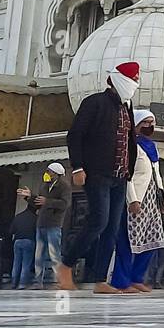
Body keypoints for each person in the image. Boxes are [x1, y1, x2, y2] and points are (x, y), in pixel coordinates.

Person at [57, 61, 140, 292]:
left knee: (111, 228)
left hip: (120, 176)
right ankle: (65, 265)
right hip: (98, 173)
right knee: (98, 221)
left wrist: (129, 174)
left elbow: (129, 143)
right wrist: (78, 167)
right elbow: (75, 135)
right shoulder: (95, 103)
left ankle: (100, 279)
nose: (135, 84)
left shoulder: (127, 108)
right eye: (132, 79)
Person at [110, 110, 164, 295]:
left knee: (152, 240)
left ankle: (137, 278)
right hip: (136, 199)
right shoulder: (129, 145)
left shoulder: (152, 146)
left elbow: (156, 174)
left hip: (152, 201)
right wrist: (133, 200)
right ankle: (121, 281)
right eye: (145, 122)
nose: (149, 126)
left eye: (152, 122)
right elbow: (128, 175)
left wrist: (162, 198)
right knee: (127, 241)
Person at [33, 161, 70, 288]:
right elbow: (38, 203)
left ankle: (58, 281)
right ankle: (38, 281)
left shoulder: (64, 186)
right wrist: (29, 198)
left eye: (49, 171)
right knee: (38, 254)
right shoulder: (44, 186)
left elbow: (64, 204)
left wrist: (47, 201)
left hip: (54, 224)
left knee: (54, 253)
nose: (47, 174)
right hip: (41, 223)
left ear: (56, 174)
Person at [9, 194, 37, 289]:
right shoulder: (35, 218)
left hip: (17, 241)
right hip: (29, 241)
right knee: (26, 263)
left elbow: (11, 230)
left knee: (16, 263)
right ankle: (22, 283)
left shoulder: (18, 216)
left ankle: (14, 283)